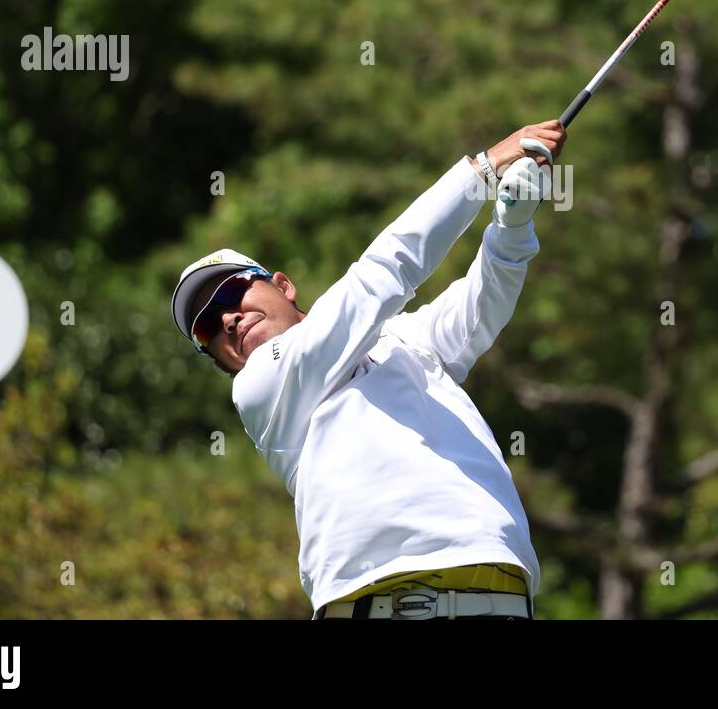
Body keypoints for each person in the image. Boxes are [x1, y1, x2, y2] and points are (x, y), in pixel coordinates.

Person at [169, 121, 567, 619]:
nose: (226, 318)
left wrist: (512, 225)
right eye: (208, 328)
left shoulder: (400, 339)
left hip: (494, 590)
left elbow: (480, 311)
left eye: (231, 292)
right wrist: (483, 170)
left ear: (283, 285)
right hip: (367, 602)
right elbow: (382, 274)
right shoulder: (261, 387)